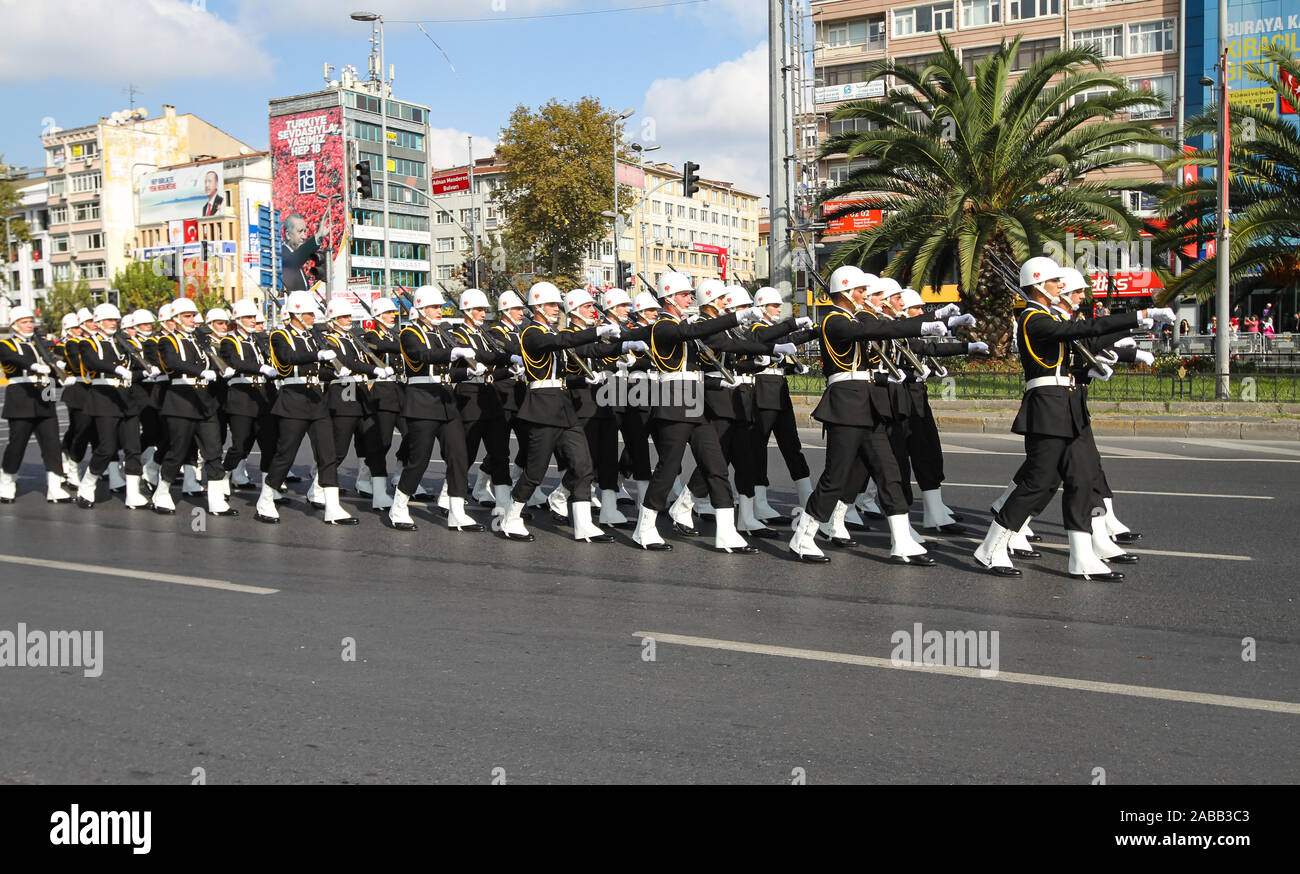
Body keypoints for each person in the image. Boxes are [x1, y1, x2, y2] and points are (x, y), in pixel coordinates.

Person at [972, 257, 1175, 579]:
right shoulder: (1031, 318)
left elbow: (1084, 341)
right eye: (1055, 282)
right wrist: (1140, 315)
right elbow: (1080, 330)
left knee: (1083, 478)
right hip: (1047, 407)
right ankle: (990, 547)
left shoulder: (1049, 317)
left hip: (1068, 407)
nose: (1060, 287)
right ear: (1039, 285)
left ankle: (1081, 554)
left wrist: (1114, 350)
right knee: (1039, 482)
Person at [787, 266, 955, 565]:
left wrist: (934, 318)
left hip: (867, 404)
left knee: (888, 471)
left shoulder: (856, 318)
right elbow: (875, 330)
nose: (866, 294)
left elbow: (880, 329)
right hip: (845, 405)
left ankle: (902, 541)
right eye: (861, 290)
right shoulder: (834, 321)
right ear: (846, 292)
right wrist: (926, 323)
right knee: (835, 476)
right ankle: (803, 536)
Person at [496, 282, 624, 544]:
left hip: (564, 407)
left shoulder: (553, 334)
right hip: (541, 408)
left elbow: (587, 351)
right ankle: (511, 517)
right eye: (553, 304)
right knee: (535, 471)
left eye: (557, 304)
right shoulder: (532, 333)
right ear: (539, 307)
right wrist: (597, 331)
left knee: (583, 465)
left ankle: (584, 524)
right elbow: (562, 341)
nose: (557, 309)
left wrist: (625, 345)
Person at [388, 284, 486, 533]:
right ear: (420, 309)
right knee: (418, 460)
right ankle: (399, 506)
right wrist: (453, 352)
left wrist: (467, 371)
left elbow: (446, 371)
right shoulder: (409, 334)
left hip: (445, 401)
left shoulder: (441, 333)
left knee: (458, 456)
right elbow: (424, 356)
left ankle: (456, 511)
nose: (438, 310)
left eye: (440, 306)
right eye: (433, 307)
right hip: (422, 401)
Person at [255, 291, 355, 526]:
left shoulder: (313, 336)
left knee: (327, 454)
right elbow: (287, 358)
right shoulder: (280, 336)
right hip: (293, 400)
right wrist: (317, 355)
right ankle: (266, 498)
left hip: (316, 400)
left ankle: (332, 506)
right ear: (297, 314)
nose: (313, 317)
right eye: (309, 313)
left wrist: (334, 373)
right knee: (285, 454)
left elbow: (315, 371)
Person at [152, 298, 236, 517]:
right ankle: (161, 492)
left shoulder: (200, 340)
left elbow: (211, 363)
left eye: (193, 315)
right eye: (187, 316)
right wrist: (200, 372)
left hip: (204, 402)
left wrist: (222, 371)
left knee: (213, 451)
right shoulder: (168, 340)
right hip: (181, 400)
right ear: (176, 320)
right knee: (177, 451)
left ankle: (217, 501)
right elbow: (171, 363)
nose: (192, 320)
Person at [0, 306, 73, 504]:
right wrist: (33, 366)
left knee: (52, 444)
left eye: (31, 321)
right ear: (14, 325)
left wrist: (61, 374)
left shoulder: (41, 345)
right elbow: (12, 358)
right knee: (17, 444)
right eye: (24, 322)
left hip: (45, 394)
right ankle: (6, 480)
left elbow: (51, 369)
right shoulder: (7, 345)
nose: (29, 325)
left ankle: (55, 486)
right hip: (21, 397)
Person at [280, 212, 332, 293]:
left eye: (305, 232)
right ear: (288, 234)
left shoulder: (296, 259)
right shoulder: (283, 255)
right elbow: (296, 257)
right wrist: (319, 237)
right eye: (300, 231)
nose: (304, 237)